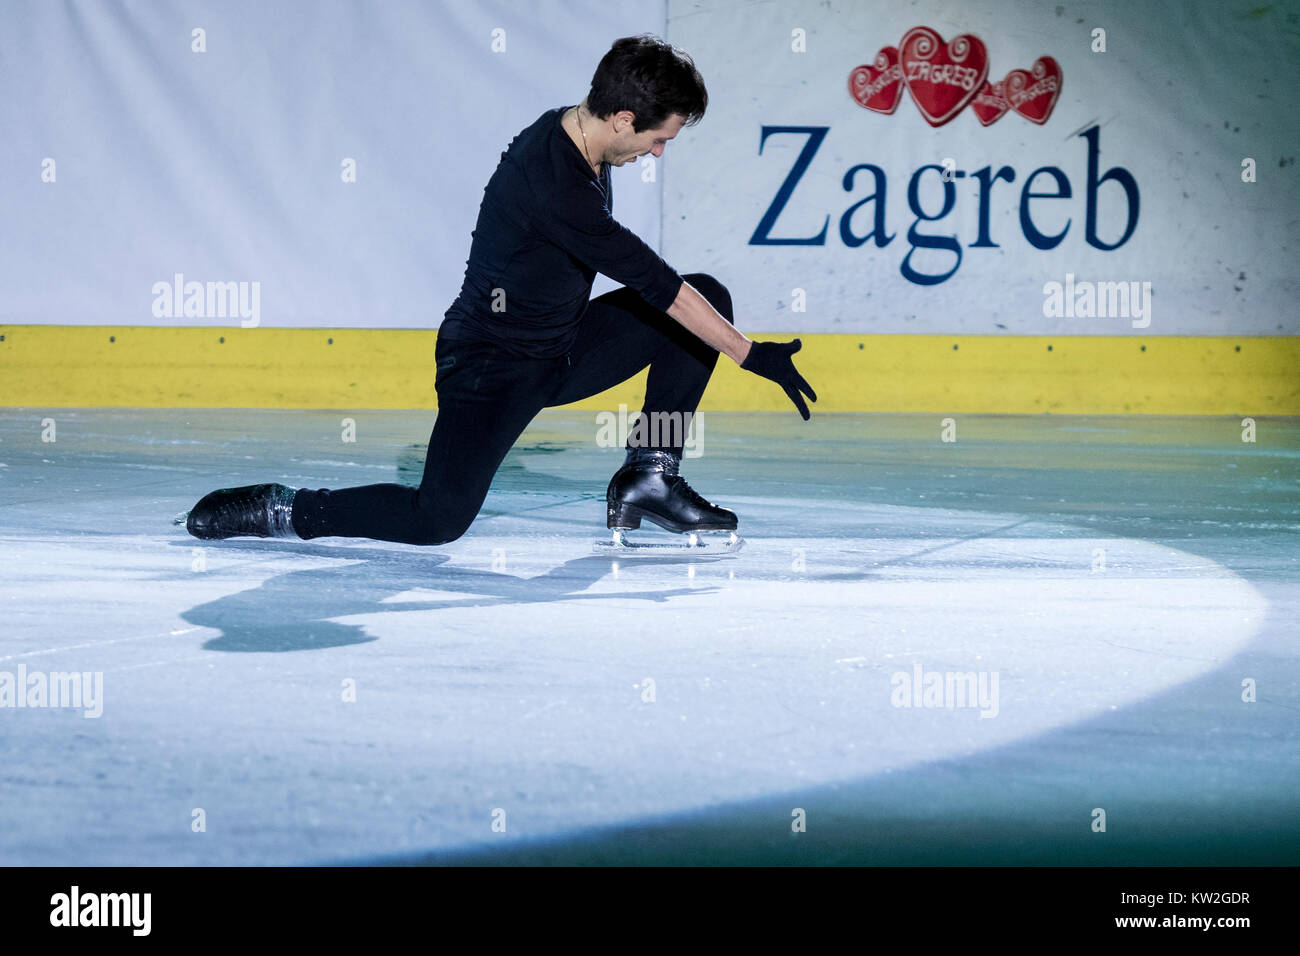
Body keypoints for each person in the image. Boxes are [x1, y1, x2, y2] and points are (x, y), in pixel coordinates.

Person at [186, 34, 815, 546]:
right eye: (657, 139)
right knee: (435, 521)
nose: (656, 153)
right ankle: (285, 510)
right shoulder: (555, 183)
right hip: (490, 366)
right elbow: (652, 281)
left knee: (707, 296)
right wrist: (750, 354)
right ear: (623, 118)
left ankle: (649, 478)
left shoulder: (575, 133)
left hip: (559, 349)